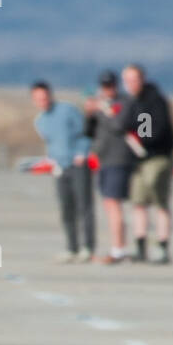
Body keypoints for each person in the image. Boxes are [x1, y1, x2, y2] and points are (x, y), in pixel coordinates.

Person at [119, 64, 173, 264]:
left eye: (134, 80)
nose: (130, 84)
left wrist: (139, 138)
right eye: (127, 80)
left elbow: (154, 130)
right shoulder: (131, 101)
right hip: (138, 161)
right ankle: (140, 246)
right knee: (138, 202)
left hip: (156, 157)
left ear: (142, 79)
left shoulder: (152, 100)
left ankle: (162, 247)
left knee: (159, 201)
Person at [31, 80, 93, 263]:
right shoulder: (40, 121)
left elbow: (85, 132)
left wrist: (82, 152)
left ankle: (87, 247)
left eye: (44, 97)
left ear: (50, 95)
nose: (42, 101)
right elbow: (51, 144)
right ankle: (71, 247)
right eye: (38, 99)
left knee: (84, 207)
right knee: (66, 208)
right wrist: (50, 162)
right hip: (60, 168)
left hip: (78, 164)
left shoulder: (68, 111)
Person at [84, 70, 134, 264]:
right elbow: (89, 132)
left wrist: (103, 110)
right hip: (103, 159)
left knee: (114, 204)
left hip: (119, 158)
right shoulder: (100, 103)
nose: (107, 90)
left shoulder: (124, 102)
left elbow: (119, 125)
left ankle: (118, 250)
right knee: (108, 203)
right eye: (104, 86)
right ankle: (117, 246)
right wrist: (90, 114)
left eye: (110, 85)